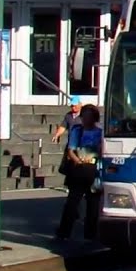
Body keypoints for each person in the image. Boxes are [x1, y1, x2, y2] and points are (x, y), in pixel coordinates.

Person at [57, 103, 103, 241]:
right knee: (72, 202)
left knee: (93, 204)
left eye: (89, 117)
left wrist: (95, 157)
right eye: (84, 117)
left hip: (94, 170)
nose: (86, 119)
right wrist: (77, 161)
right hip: (79, 169)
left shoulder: (100, 132)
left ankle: (90, 234)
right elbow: (71, 150)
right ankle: (64, 232)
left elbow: (102, 150)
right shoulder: (77, 130)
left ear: (94, 118)